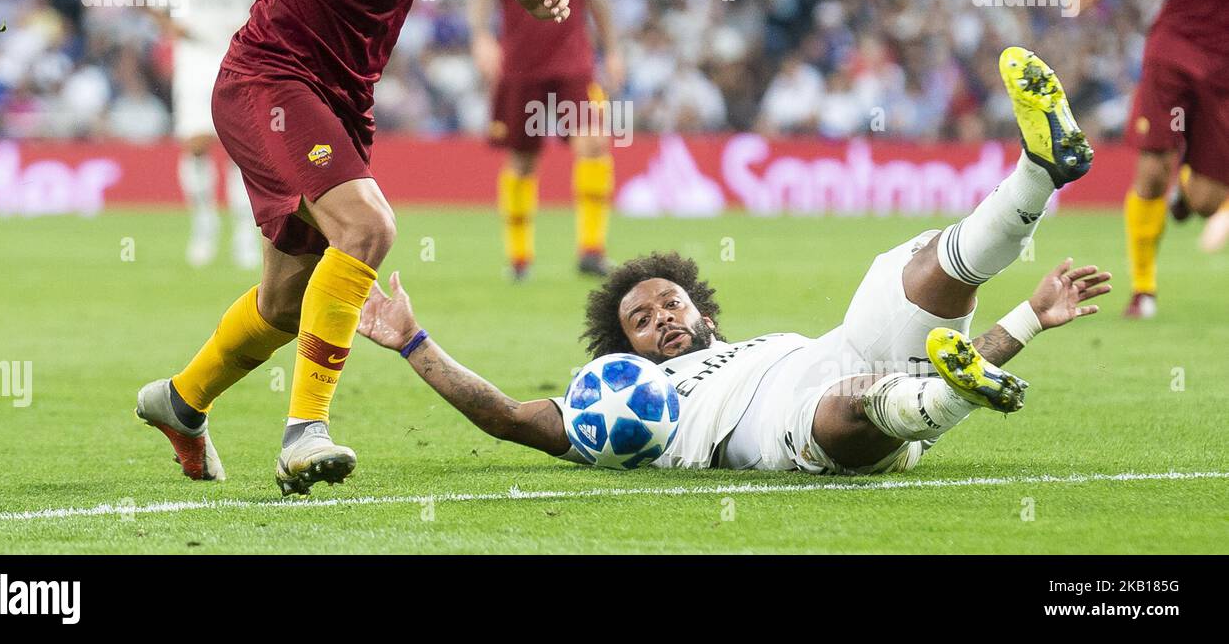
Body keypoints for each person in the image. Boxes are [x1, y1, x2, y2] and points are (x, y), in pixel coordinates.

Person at [15, 0, 571, 495]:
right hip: (266, 78)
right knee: (369, 223)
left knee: (282, 303)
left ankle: (181, 400)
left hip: (345, 101)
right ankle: (305, 430)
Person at [357, 48, 1111, 474]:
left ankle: (1038, 173)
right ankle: (934, 404)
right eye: (643, 321)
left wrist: (1028, 317)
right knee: (860, 401)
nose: (662, 321)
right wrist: (416, 344)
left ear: (704, 313)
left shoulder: (764, 343)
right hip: (780, 426)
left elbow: (945, 359)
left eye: (670, 305)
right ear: (628, 352)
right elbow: (513, 417)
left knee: (905, 270)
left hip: (837, 351)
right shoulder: (634, 404)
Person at [1075, 0, 1229, 318]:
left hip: (1225, 70)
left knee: (1208, 201)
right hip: (1174, 49)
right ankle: (1143, 291)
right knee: (1152, 171)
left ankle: (1188, 192)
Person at [469, 0, 624, 278]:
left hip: (574, 58)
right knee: (522, 158)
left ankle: (591, 252)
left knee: (594, 144)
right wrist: (481, 37)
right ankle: (520, 259)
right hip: (520, 61)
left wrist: (612, 48)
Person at [147, 0, 266, 269]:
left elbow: (268, 3)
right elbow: (157, 7)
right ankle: (204, 223)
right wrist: (173, 29)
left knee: (241, 150)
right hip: (194, 59)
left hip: (238, 58)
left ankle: (245, 233)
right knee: (196, 143)